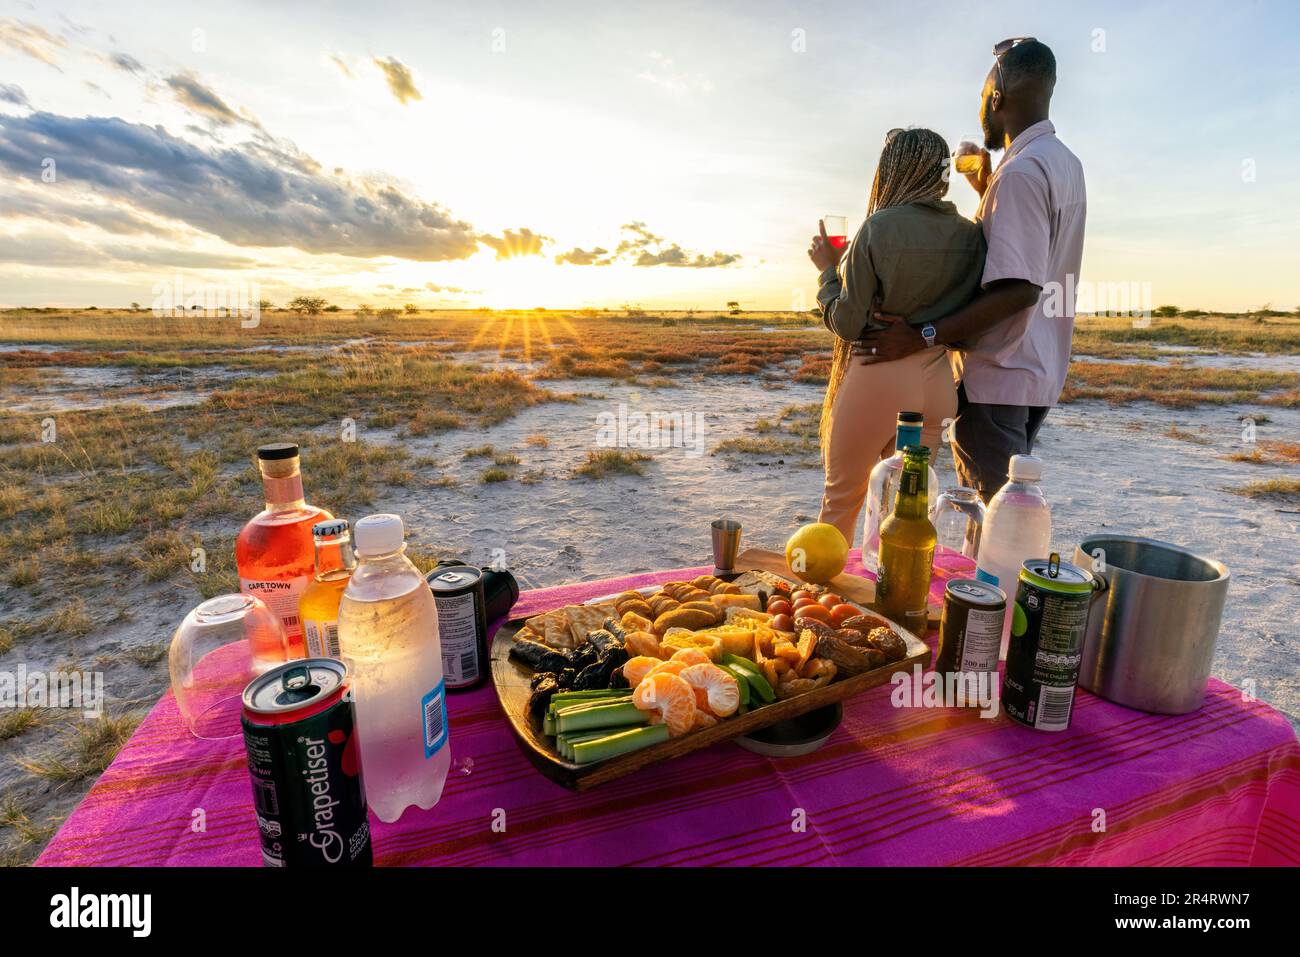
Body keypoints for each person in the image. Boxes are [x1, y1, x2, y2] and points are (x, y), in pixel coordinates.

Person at [853, 38, 1086, 502]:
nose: (981, 108)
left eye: (982, 97)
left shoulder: (1020, 174)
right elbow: (1027, 254)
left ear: (997, 97)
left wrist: (922, 333)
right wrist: (984, 189)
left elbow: (1019, 288)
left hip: (999, 372)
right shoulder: (1062, 163)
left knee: (991, 519)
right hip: (1035, 370)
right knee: (1004, 507)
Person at [809, 127, 985, 543]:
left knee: (841, 500)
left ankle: (820, 601)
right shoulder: (972, 235)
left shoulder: (879, 228)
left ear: (891, 169)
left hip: (877, 373)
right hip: (939, 383)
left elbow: (849, 323)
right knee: (903, 508)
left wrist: (827, 271)